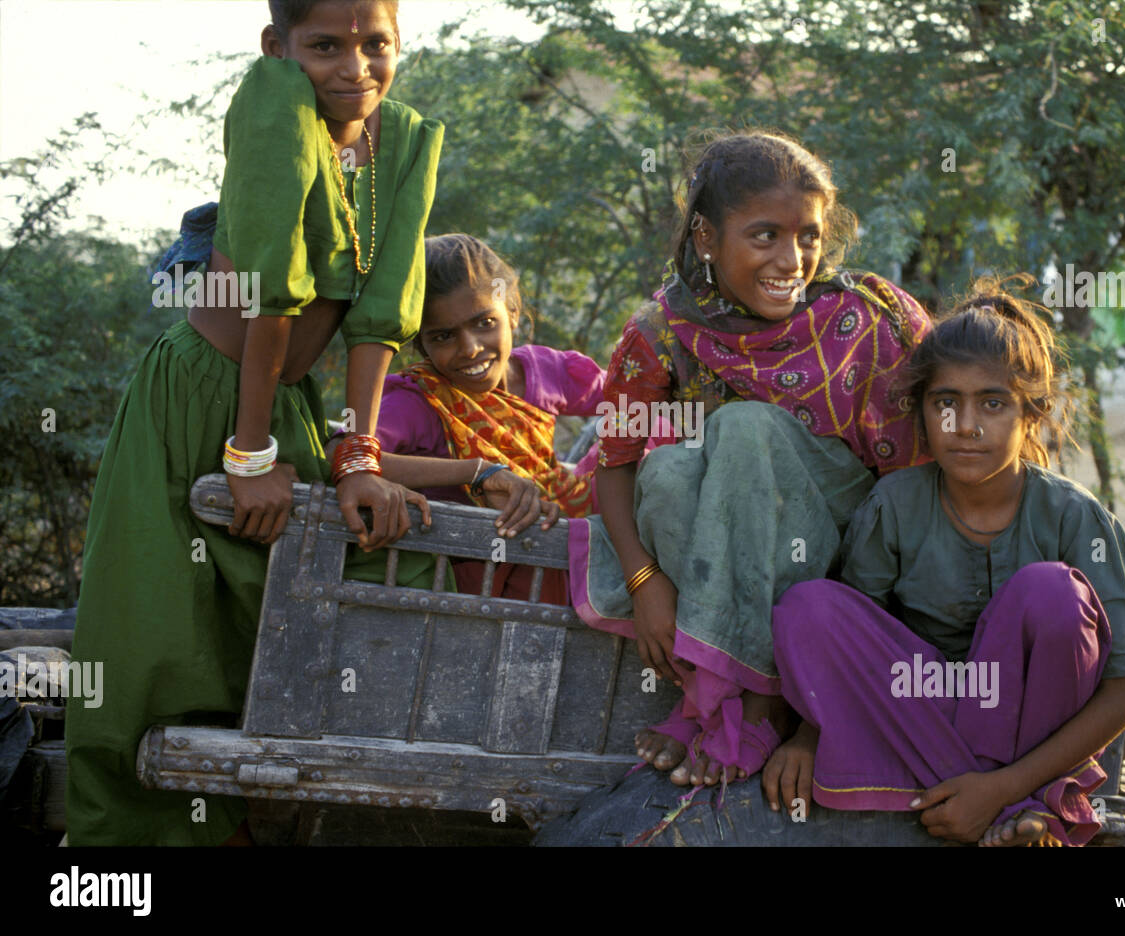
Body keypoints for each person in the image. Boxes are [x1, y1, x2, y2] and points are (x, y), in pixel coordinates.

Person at [66, 0, 442, 845]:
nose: (355, 68)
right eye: (325, 46)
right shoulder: (275, 106)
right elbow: (266, 293)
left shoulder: (405, 138)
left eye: (375, 44)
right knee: (160, 629)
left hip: (295, 400)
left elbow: (380, 319)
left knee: (349, 589)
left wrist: (359, 457)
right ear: (279, 47)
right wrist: (249, 451)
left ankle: (264, 818)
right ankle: (139, 846)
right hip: (210, 394)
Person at [569, 131, 932, 789]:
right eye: (765, 236)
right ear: (707, 238)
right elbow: (614, 461)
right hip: (728, 539)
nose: (792, 259)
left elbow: (912, 486)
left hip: (838, 552)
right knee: (670, 473)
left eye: (809, 237)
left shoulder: (864, 321)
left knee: (743, 428)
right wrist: (644, 580)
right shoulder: (664, 329)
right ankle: (714, 697)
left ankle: (760, 704)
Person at [764, 276, 1125, 846]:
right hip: (923, 706)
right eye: (946, 403)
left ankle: (995, 796)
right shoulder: (894, 505)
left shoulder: (1076, 519)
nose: (964, 426)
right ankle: (1013, 812)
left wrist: (999, 783)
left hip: (1027, 730)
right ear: (921, 411)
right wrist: (806, 735)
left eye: (993, 404)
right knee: (807, 608)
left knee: (1053, 595)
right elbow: (852, 648)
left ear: (1032, 415)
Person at [367, 234, 612, 601]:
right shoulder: (419, 400)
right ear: (422, 344)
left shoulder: (546, 372)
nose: (470, 348)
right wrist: (477, 471)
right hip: (481, 590)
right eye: (444, 336)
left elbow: (638, 398)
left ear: (511, 312)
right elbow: (348, 453)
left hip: (572, 565)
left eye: (484, 323)